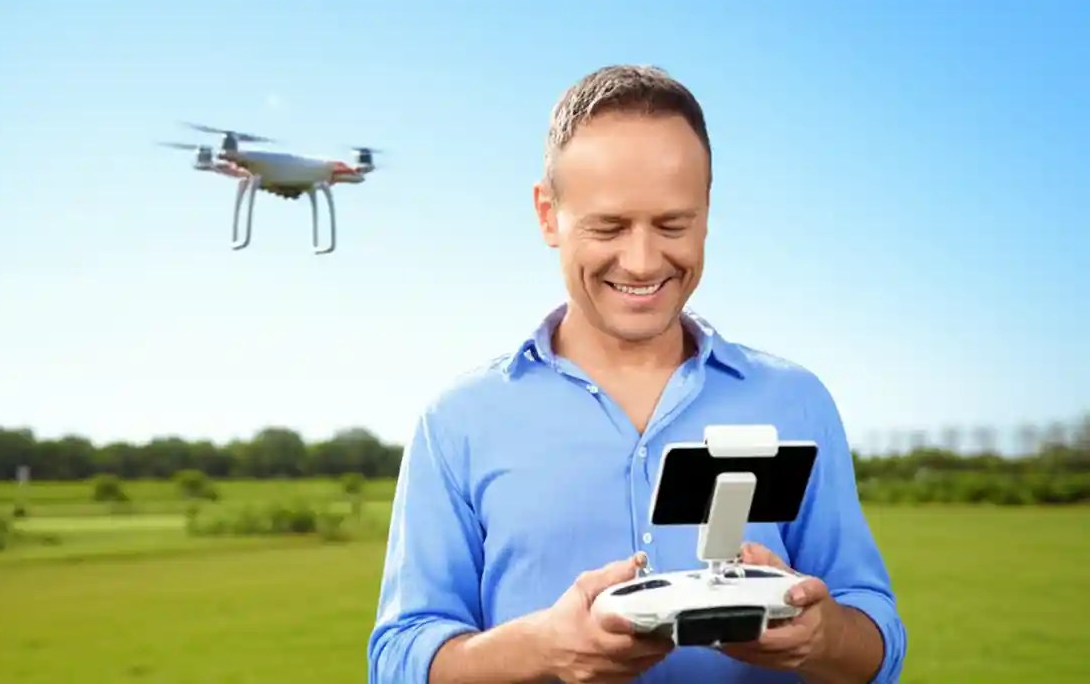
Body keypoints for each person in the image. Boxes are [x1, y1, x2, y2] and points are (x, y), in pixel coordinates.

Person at [366, 64, 907, 683]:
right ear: (548, 215)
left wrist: (823, 635)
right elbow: (399, 662)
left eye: (673, 224)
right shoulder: (457, 421)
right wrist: (544, 648)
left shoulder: (795, 401)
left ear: (707, 212)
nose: (644, 261)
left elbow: (876, 642)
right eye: (610, 226)